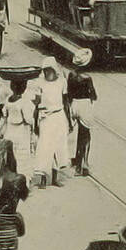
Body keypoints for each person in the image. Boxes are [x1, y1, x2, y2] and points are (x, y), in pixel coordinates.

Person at [31, 57, 71, 189]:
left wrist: (69, 121)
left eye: (49, 69)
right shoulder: (39, 83)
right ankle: (43, 178)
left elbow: (65, 103)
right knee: (44, 147)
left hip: (59, 116)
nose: (48, 72)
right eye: (45, 70)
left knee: (58, 147)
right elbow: (36, 105)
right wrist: (35, 122)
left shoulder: (62, 82)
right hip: (45, 118)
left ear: (54, 69)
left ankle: (55, 177)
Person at [68, 71, 96, 176]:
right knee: (86, 135)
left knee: (80, 132)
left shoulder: (71, 76)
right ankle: (82, 165)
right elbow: (94, 96)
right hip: (84, 106)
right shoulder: (87, 78)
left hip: (74, 105)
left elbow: (69, 94)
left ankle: (77, 159)